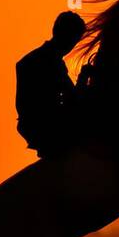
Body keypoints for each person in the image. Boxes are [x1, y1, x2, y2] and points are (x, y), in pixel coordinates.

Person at [16, 11, 87, 159]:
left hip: (35, 128)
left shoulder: (30, 60)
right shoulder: (50, 62)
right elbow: (73, 98)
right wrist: (84, 77)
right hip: (49, 129)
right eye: (74, 39)